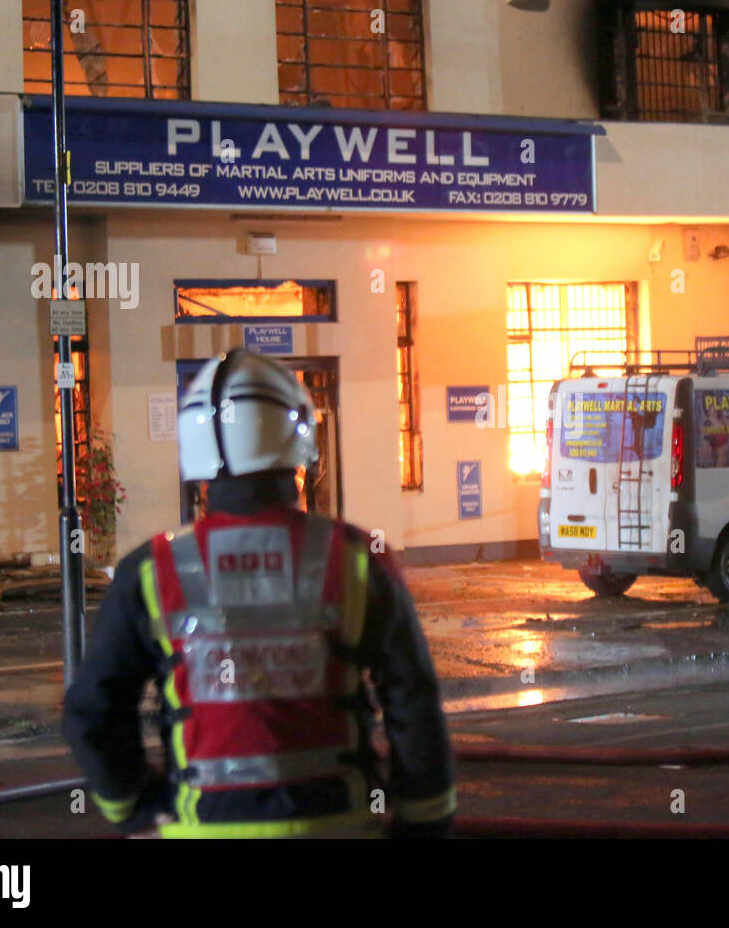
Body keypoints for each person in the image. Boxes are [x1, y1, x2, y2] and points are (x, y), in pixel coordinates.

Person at [61, 349, 455, 838]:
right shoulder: (358, 558)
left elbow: (92, 712)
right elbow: (412, 703)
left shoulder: (150, 570)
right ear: (299, 437)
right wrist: (426, 820)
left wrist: (135, 812)